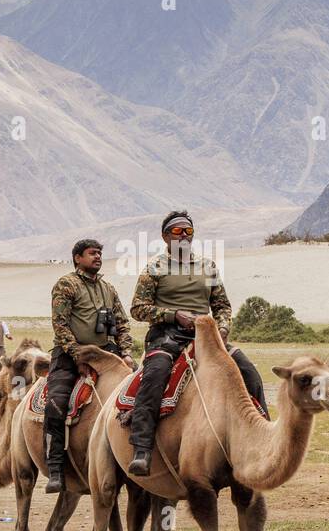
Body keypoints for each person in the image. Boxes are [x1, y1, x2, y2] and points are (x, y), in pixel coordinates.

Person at [127, 211, 268, 476]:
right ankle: (142, 448)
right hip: (166, 335)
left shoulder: (209, 267)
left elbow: (222, 305)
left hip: (205, 335)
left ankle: (262, 435)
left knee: (247, 369)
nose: (183, 237)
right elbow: (137, 308)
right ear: (165, 236)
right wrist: (173, 315)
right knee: (155, 375)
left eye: (188, 232)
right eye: (178, 232)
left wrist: (223, 328)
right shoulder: (154, 268)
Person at [44, 239, 135, 493]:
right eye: (92, 253)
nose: (98, 257)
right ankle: (55, 467)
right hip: (70, 356)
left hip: (109, 355)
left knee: (141, 390)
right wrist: (77, 356)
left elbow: (123, 324)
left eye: (100, 253)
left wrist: (126, 353)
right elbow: (60, 325)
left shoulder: (108, 288)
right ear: (77, 258)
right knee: (56, 403)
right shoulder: (66, 284)